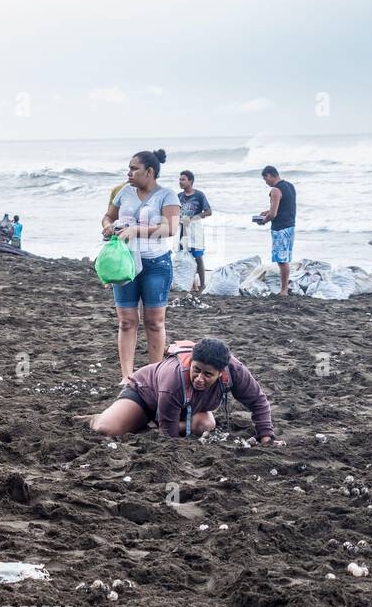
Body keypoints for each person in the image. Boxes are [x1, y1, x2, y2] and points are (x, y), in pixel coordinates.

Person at [79, 337, 277, 444]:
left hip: (185, 409)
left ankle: (142, 424)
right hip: (146, 397)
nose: (199, 379)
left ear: (220, 373)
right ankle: (97, 417)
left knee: (206, 424)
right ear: (191, 362)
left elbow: (258, 402)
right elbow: (169, 435)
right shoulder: (174, 377)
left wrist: (266, 437)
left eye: (208, 375)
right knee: (105, 429)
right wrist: (166, 431)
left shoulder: (235, 371)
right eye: (196, 370)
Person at [100, 150, 180, 384]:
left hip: (156, 263)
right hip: (124, 262)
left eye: (134, 168)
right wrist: (108, 226)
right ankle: (127, 375)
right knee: (126, 321)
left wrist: (136, 230)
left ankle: (154, 373)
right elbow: (107, 216)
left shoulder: (167, 195)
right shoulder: (124, 192)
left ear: (150, 172)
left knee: (154, 322)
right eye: (129, 167)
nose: (129, 172)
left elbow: (170, 229)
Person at [256, 166, 297, 296]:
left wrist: (263, 220)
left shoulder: (275, 190)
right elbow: (285, 207)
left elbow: (273, 214)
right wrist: (266, 212)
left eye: (265, 179)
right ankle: (285, 287)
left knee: (282, 260)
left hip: (280, 228)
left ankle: (284, 290)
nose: (266, 182)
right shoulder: (290, 186)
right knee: (285, 259)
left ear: (269, 175)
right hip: (290, 226)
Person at [176, 171, 212, 293]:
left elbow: (208, 212)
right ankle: (190, 284)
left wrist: (193, 218)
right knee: (184, 256)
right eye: (180, 179)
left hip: (195, 229)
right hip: (182, 230)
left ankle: (202, 284)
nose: (180, 182)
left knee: (198, 256)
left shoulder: (199, 195)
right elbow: (175, 212)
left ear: (190, 181)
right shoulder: (178, 196)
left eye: (183, 179)